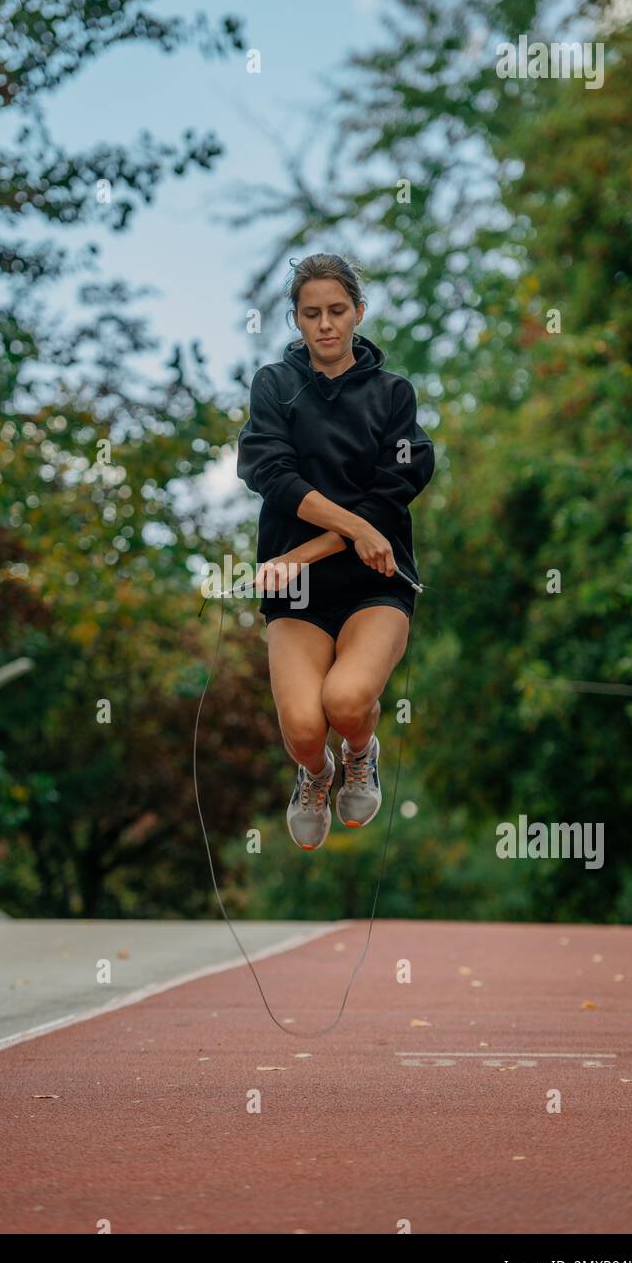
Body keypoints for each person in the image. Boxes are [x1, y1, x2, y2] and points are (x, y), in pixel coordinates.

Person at [236, 253, 435, 850]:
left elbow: (394, 490)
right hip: (296, 592)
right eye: (311, 313)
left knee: (346, 701)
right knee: (301, 727)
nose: (325, 324)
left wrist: (308, 551)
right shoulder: (275, 385)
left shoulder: (393, 394)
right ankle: (316, 774)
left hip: (376, 581)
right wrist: (346, 531)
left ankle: (358, 753)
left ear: (358, 313)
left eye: (337, 311)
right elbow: (271, 471)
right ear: (296, 321)